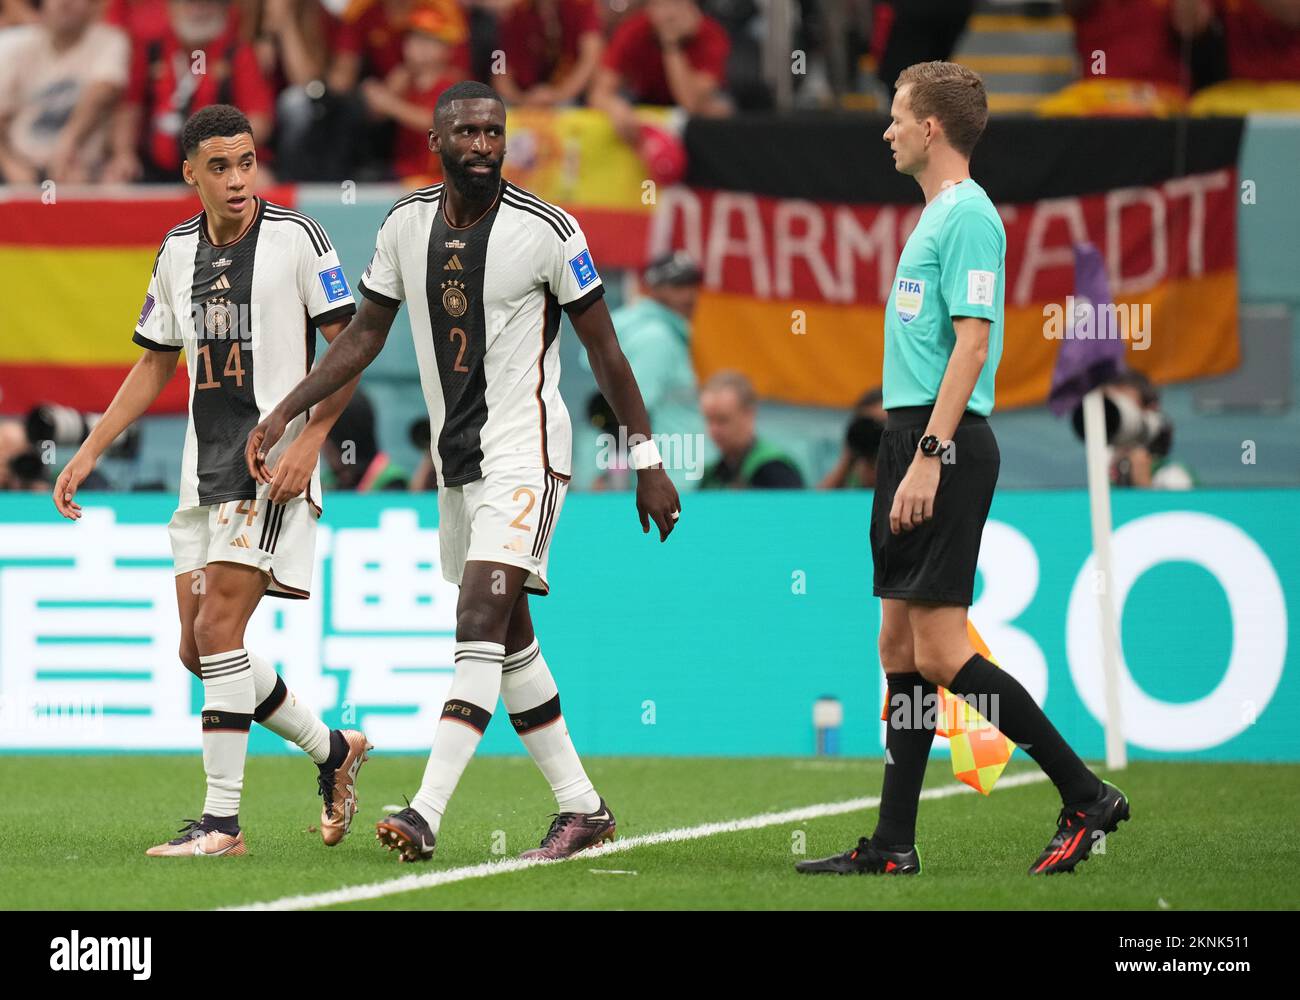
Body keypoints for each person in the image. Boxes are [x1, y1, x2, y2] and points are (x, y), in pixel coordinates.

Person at [245, 81, 681, 863]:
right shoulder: (405, 225)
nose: (483, 144)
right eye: (467, 132)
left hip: (528, 454)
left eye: (493, 131)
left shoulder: (549, 230)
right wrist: (289, 411)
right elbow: (363, 336)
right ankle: (583, 809)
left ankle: (424, 810)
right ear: (435, 143)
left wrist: (645, 457)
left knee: (477, 619)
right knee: (510, 639)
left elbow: (605, 353)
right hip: (459, 464)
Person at [797, 61, 1130, 879]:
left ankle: (1086, 794)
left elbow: (974, 344)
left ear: (931, 130)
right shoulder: (938, 217)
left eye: (897, 116)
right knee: (900, 646)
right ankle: (893, 843)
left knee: (941, 650)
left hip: (941, 444)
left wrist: (930, 456)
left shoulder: (971, 217)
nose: (887, 129)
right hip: (911, 437)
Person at [52, 105, 372, 858]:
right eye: (219, 167)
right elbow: (157, 359)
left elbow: (350, 347)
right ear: (190, 172)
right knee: (198, 651)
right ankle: (333, 749)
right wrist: (91, 447)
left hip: (271, 467)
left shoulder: (298, 239)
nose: (236, 180)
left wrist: (312, 442)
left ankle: (221, 826)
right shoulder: (174, 251)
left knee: (219, 631)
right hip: (204, 470)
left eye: (246, 162)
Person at [107, 0, 276, 183]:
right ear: (172, 8)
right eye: (189, 4)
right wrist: (124, 153)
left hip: (219, 164)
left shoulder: (238, 54)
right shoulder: (152, 51)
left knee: (260, 181)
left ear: (224, 11)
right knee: (114, 179)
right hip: (154, 163)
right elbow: (130, 107)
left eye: (207, 4)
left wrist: (221, 152)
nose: (198, 11)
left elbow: (258, 120)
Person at [601, 249, 704, 491]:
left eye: (693, 286)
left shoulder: (661, 333)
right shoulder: (657, 339)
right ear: (653, 289)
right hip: (671, 482)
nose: (689, 296)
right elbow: (627, 416)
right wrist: (614, 478)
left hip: (673, 478)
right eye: (678, 286)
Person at [0, 0, 129, 184]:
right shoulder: (13, 44)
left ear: (93, 6)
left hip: (84, 170)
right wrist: (10, 166)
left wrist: (68, 142)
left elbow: (103, 92)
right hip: (22, 165)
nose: (64, 3)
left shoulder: (110, 40)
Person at [588, 0, 731, 146]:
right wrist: (615, 107)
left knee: (717, 110)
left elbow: (691, 104)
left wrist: (671, 44)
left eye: (677, 4)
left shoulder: (710, 34)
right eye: (661, 4)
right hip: (646, 102)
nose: (669, 13)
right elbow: (599, 92)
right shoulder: (633, 29)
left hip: (691, 107)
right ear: (649, 8)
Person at [360, 5, 464, 181]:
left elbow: (433, 122)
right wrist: (385, 91)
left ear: (448, 50)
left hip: (433, 177)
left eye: (428, 41)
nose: (418, 47)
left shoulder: (452, 83)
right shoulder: (405, 78)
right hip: (401, 170)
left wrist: (389, 103)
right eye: (412, 39)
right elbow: (374, 114)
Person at [697, 370, 804, 489]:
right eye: (709, 420)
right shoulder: (710, 477)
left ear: (749, 415)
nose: (714, 430)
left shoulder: (775, 471)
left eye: (722, 420)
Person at [493, 0, 604, 108]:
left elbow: (591, 58)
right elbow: (500, 71)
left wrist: (558, 95)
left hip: (569, 94)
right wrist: (523, 100)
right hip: (524, 98)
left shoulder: (581, 5)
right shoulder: (515, 10)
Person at [819, 388, 886, 489]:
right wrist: (847, 459)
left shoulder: (913, 470)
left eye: (882, 424)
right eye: (866, 425)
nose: (871, 433)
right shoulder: (855, 471)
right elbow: (818, 500)